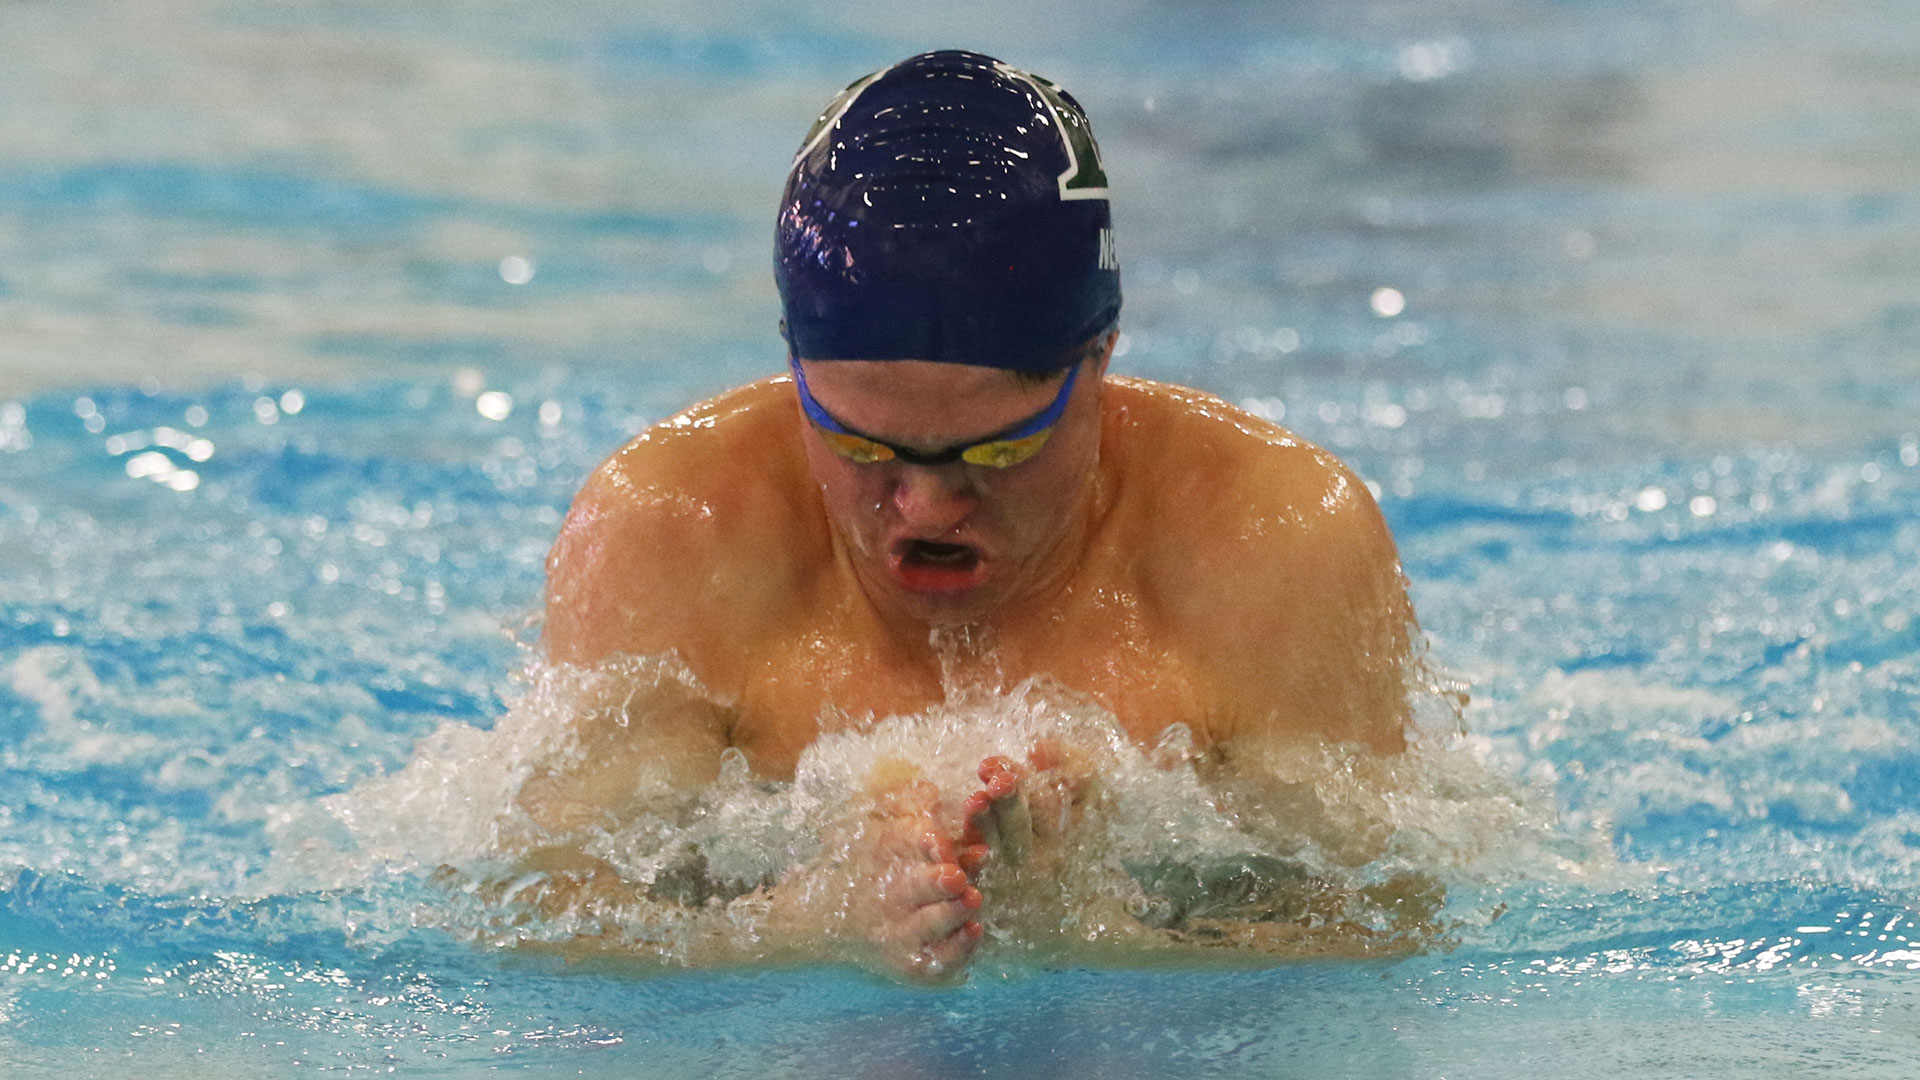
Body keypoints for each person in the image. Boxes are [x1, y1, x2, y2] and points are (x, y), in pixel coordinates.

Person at [525, 50, 1417, 980]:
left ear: (1099, 363)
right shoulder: (671, 530)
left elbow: (1383, 936)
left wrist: (1101, 914)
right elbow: (548, 930)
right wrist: (813, 922)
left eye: (996, 450)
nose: (924, 505)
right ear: (795, 366)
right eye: (863, 445)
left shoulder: (1276, 543)